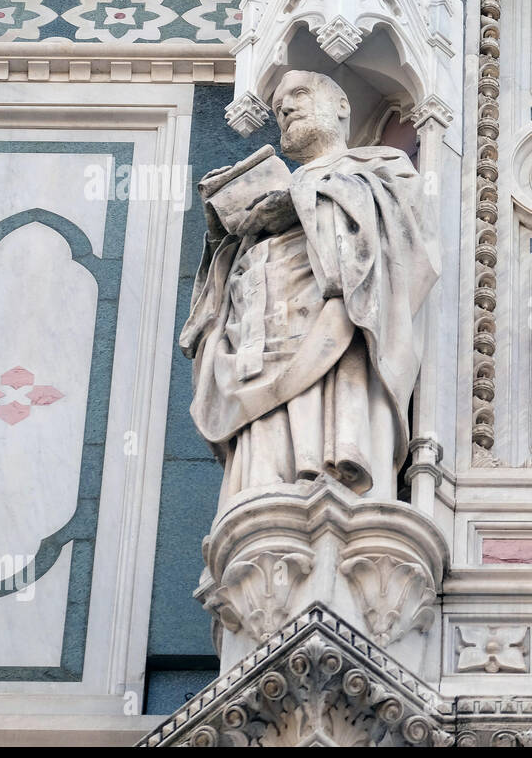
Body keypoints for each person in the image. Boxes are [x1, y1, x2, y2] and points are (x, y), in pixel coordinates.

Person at [181, 70, 438, 504]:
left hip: (332, 331)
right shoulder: (275, 194)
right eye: (279, 107)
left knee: (325, 449)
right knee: (261, 482)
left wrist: (300, 199)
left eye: (299, 95)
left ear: (342, 107)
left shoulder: (380, 167)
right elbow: (219, 293)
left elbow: (407, 247)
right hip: (257, 340)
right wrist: (228, 234)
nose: (286, 109)